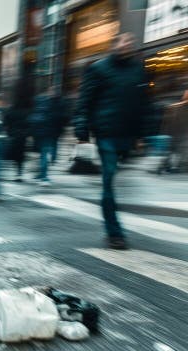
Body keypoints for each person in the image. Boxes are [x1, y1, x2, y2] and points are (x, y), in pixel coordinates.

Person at [73, 32, 155, 250]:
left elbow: (144, 104)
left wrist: (142, 136)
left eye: (131, 41)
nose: (128, 43)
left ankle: (113, 222)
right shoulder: (98, 69)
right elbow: (85, 101)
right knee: (109, 179)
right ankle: (114, 233)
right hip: (106, 133)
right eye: (124, 40)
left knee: (118, 178)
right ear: (114, 45)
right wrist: (82, 132)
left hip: (128, 136)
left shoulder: (138, 70)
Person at [29, 87, 68, 185]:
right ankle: (44, 177)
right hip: (50, 132)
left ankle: (42, 175)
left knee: (43, 154)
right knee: (45, 154)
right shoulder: (58, 104)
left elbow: (34, 117)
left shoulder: (42, 103)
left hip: (41, 132)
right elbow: (62, 119)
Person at [3, 81, 34, 182]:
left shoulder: (13, 108)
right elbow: (29, 121)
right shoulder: (28, 109)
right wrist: (29, 133)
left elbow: (7, 119)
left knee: (14, 152)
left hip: (14, 132)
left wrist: (8, 130)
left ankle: (16, 172)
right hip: (22, 133)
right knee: (21, 154)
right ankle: (19, 173)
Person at [158, 90, 188, 173]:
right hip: (182, 136)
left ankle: (165, 166)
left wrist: (164, 133)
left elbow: (166, 123)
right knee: (181, 153)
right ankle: (179, 166)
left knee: (169, 152)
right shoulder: (174, 107)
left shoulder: (173, 107)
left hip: (173, 135)